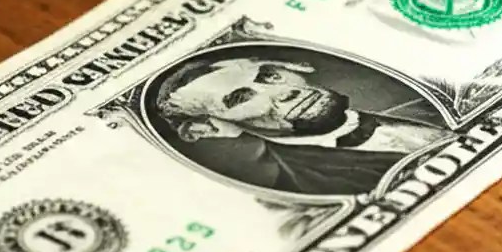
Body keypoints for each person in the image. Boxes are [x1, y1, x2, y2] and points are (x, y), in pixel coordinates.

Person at [155, 56, 453, 196]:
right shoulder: (316, 188)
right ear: (208, 128)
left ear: (295, 68)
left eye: (269, 76)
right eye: (240, 98)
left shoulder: (426, 104)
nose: (283, 92)